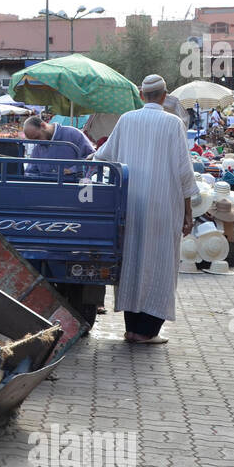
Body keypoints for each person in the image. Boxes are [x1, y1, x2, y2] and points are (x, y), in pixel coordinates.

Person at [93, 75, 199, 344]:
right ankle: (148, 331)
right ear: (164, 96)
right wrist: (188, 213)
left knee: (133, 261)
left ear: (141, 95)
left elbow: (103, 156)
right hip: (165, 207)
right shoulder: (173, 123)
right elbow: (185, 173)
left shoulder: (127, 120)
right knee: (161, 264)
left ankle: (131, 329)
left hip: (131, 205)